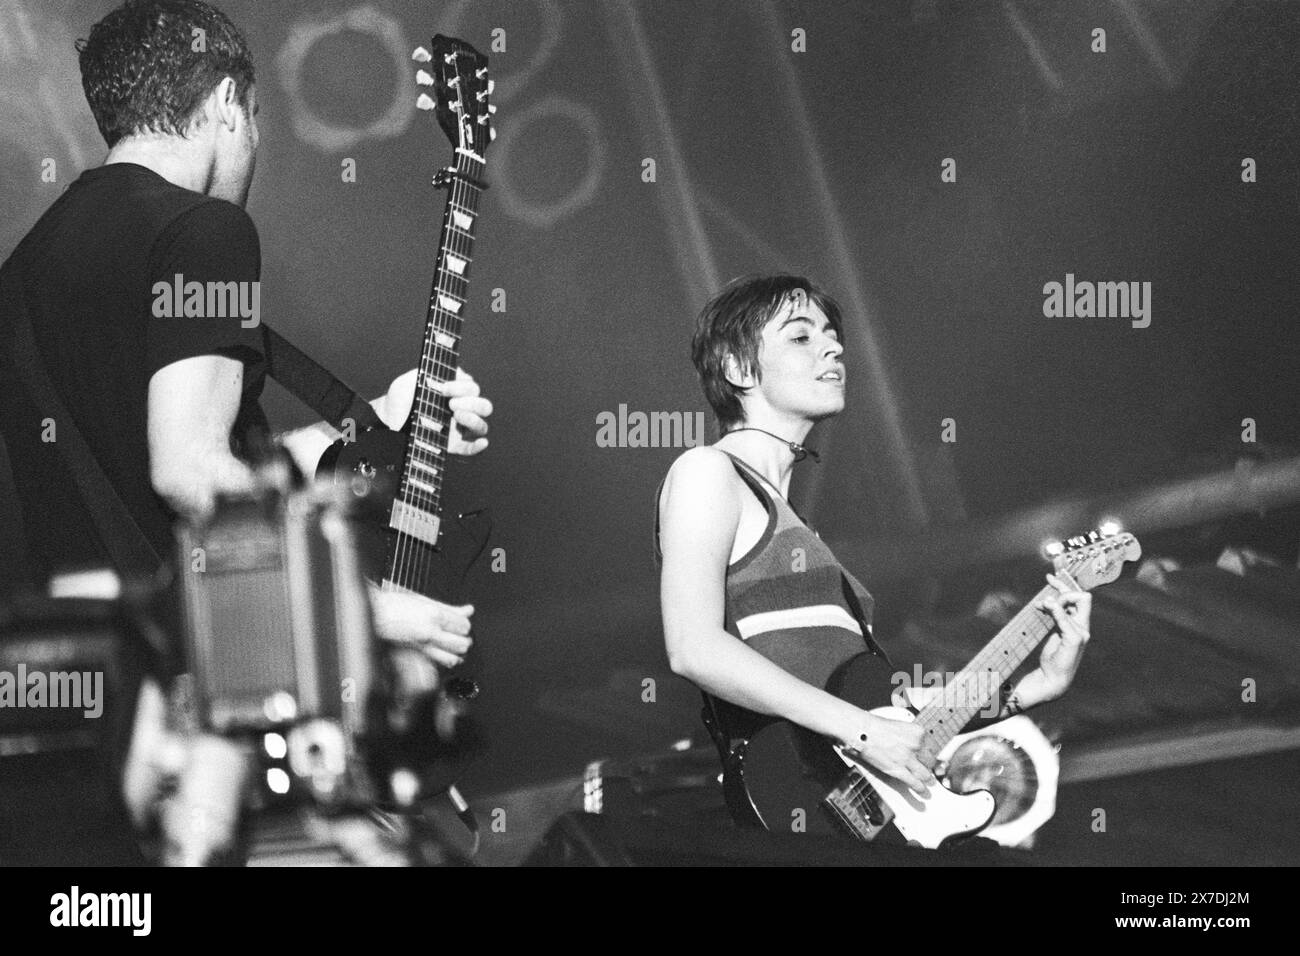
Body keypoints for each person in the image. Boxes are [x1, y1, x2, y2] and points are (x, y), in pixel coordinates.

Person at [0, 0, 490, 857]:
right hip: (214, 721)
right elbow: (189, 472)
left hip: (81, 739)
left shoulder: (24, 271)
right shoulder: (204, 229)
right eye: (256, 119)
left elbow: (145, 458)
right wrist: (367, 612)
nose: (254, 146)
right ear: (229, 102)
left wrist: (373, 420)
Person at [655, 274, 1091, 814]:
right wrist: (863, 732)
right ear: (738, 368)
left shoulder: (799, 528)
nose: (834, 345)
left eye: (832, 334)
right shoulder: (708, 472)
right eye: (800, 336)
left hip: (846, 808)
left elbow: (895, 720)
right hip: (790, 801)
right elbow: (693, 648)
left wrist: (1032, 687)